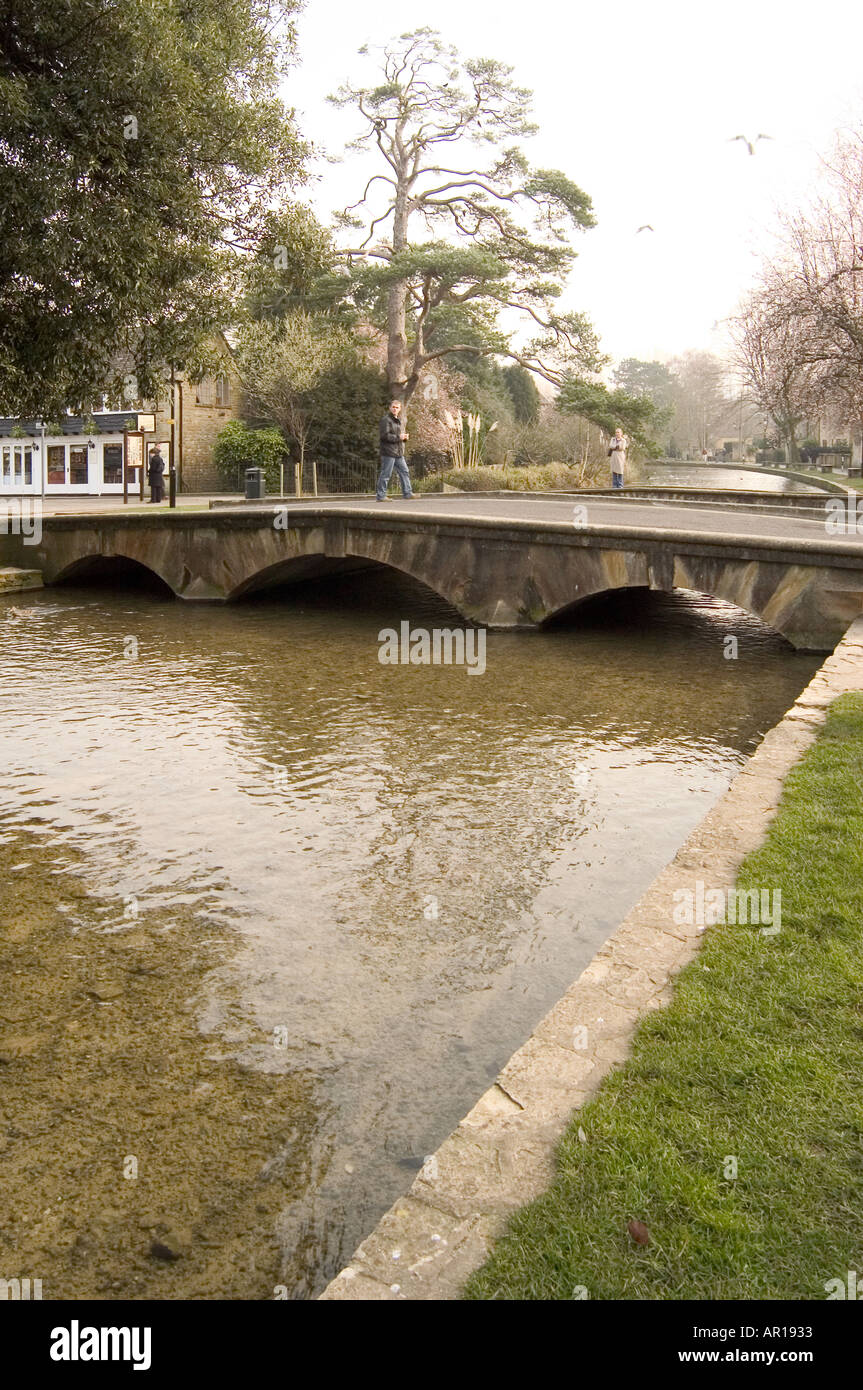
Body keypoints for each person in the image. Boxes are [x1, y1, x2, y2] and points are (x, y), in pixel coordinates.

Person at [376, 400, 413, 501]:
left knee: (404, 471)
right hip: (388, 452)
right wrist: (399, 437)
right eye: (393, 407)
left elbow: (397, 437)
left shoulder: (398, 421)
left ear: (400, 409)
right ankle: (381, 496)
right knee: (386, 474)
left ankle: (408, 493)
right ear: (390, 408)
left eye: (397, 407)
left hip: (398, 452)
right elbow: (384, 436)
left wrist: (404, 438)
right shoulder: (386, 420)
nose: (395, 409)